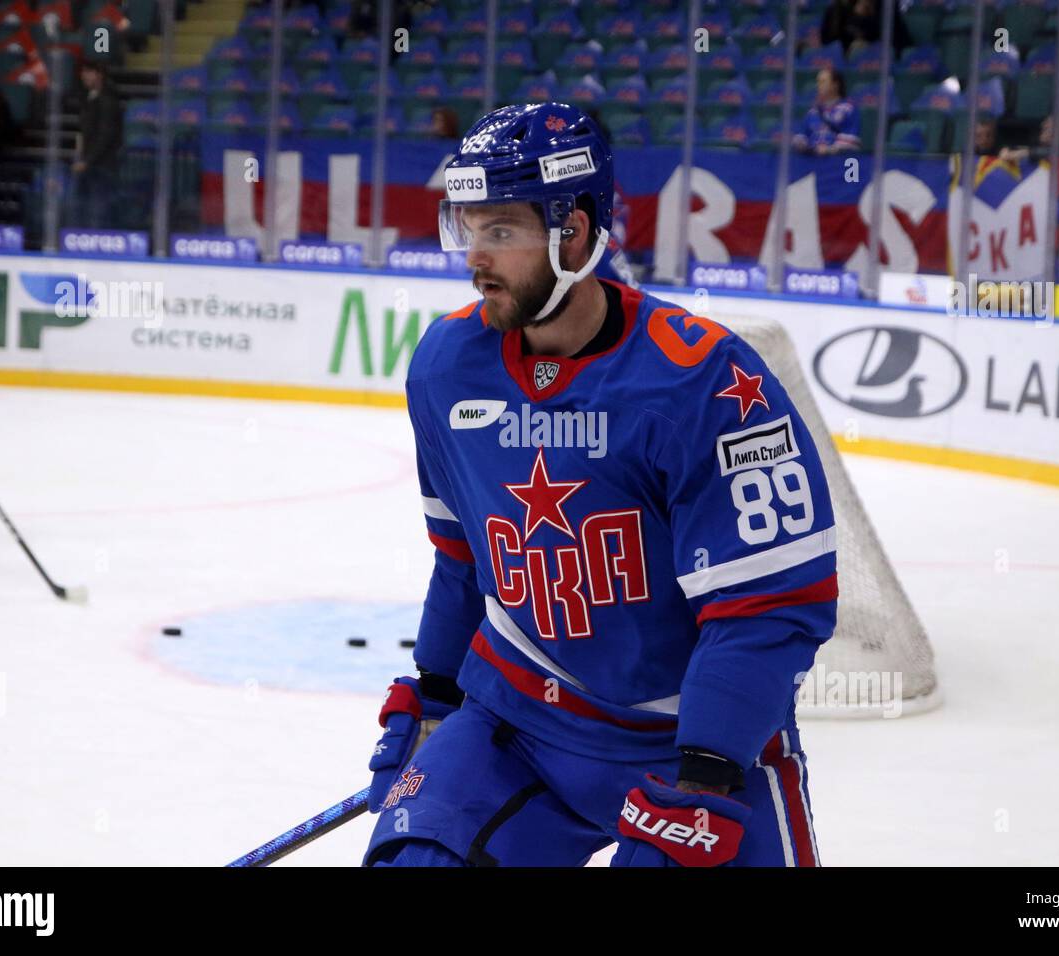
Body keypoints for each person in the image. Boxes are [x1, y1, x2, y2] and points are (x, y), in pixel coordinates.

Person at [362, 102, 839, 867]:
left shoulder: (705, 381)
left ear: (573, 231)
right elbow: (462, 558)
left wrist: (711, 768)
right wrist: (435, 688)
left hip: (683, 741)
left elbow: (769, 605)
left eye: (502, 231)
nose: (475, 257)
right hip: (516, 725)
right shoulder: (447, 367)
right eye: (468, 228)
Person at [71, 60, 121, 228]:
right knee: (81, 210)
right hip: (87, 163)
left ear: (99, 74)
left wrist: (87, 161)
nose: (83, 75)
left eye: (88, 71)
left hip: (102, 166)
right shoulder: (89, 98)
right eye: (83, 71)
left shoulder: (107, 100)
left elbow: (105, 136)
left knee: (98, 212)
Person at [792, 67, 860, 155]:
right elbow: (801, 135)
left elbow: (851, 139)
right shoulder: (813, 111)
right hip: (813, 159)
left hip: (837, 161)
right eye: (818, 81)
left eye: (823, 81)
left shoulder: (848, 108)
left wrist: (829, 149)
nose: (818, 85)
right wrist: (801, 144)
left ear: (835, 85)